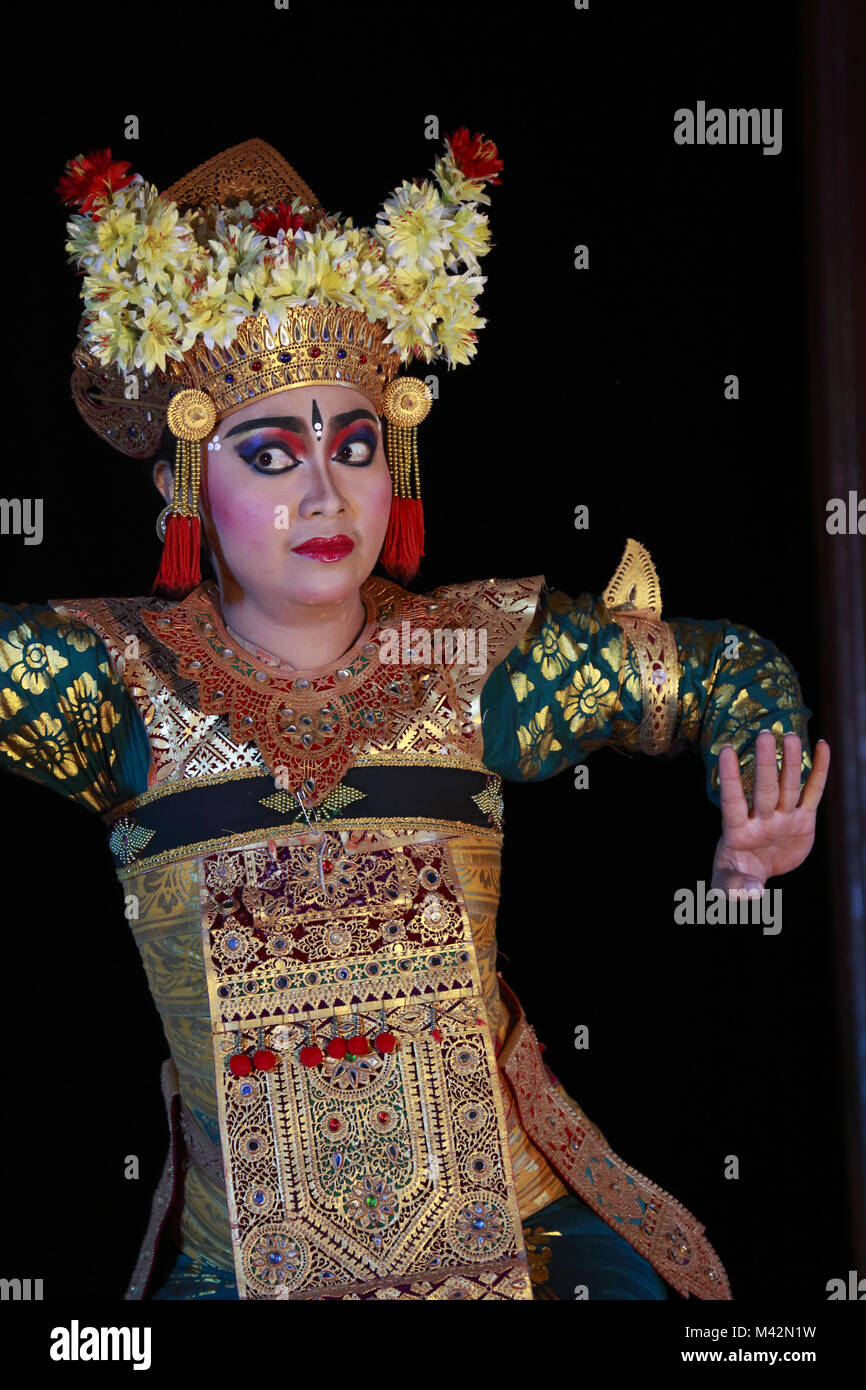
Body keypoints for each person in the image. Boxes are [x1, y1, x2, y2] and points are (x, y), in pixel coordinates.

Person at [0, 131, 828, 1302]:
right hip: (240, 1272)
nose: (326, 497)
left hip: (521, 1242)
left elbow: (723, 666)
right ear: (184, 481)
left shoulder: (467, 658)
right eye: (272, 454)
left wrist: (753, 794)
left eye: (353, 447)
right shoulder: (115, 680)